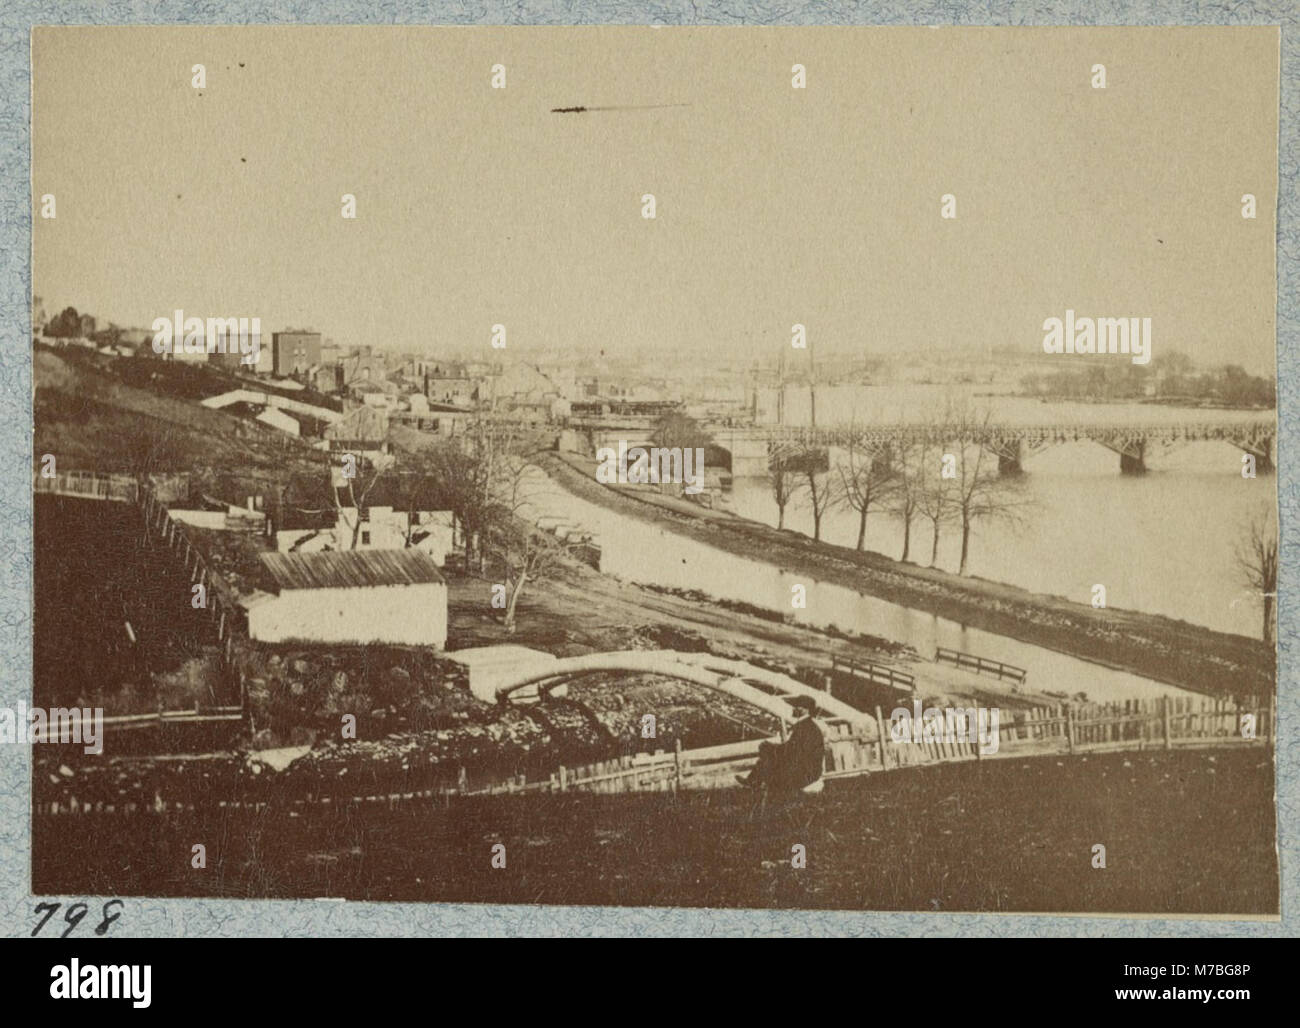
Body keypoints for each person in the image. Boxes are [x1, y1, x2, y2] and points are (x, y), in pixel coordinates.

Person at [737, 695, 825, 794]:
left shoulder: (804, 727)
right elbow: (792, 748)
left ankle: (754, 783)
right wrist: (773, 748)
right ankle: (754, 783)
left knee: (769, 760)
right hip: (808, 769)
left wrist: (771, 748)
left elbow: (792, 750)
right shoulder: (807, 725)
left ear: (805, 710)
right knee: (769, 759)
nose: (794, 708)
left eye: (797, 706)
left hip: (806, 772)